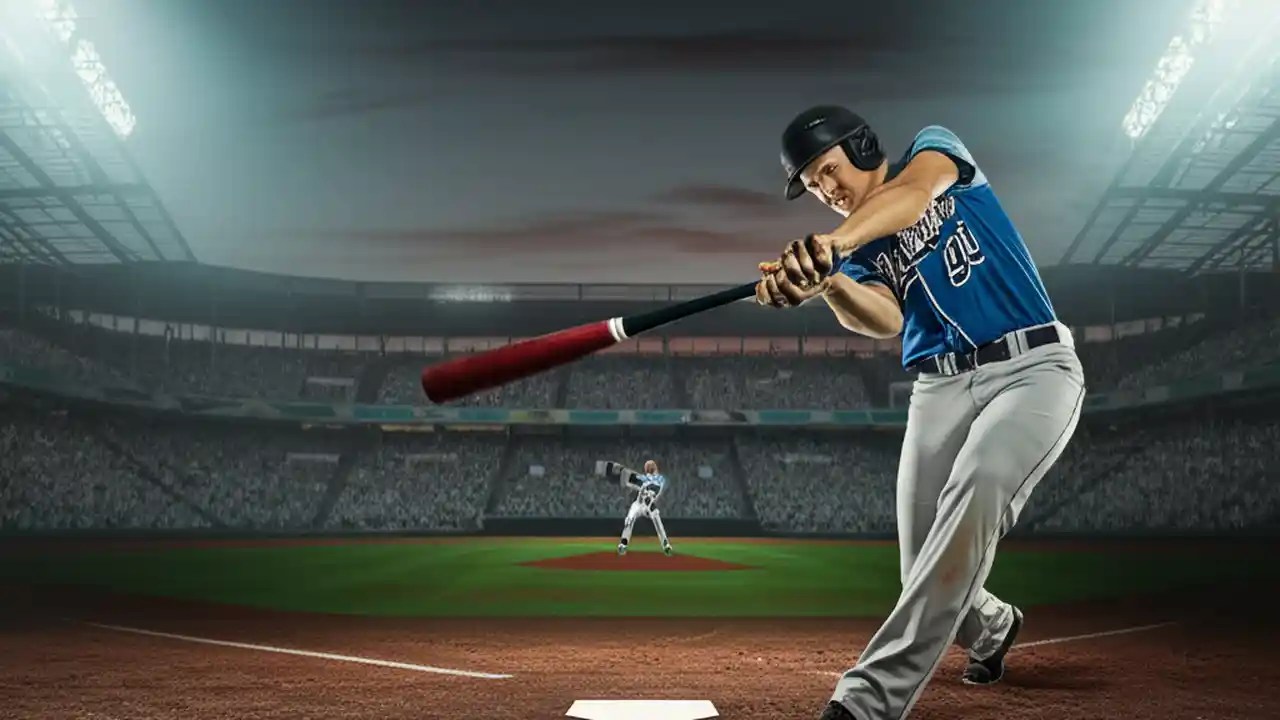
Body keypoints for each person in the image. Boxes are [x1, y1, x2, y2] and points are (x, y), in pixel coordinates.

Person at [756, 105, 1086, 720]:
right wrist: (827, 282)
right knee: (922, 569)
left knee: (980, 478)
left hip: (1032, 367)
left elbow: (909, 197)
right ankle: (991, 625)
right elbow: (882, 318)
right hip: (938, 389)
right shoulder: (857, 248)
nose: (826, 191)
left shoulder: (933, 151)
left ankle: (867, 701)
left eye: (828, 169)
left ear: (861, 145)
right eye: (813, 186)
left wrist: (830, 244)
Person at [598, 459, 673, 556]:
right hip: (639, 503)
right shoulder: (644, 478)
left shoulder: (659, 479)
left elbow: (657, 490)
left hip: (648, 504)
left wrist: (649, 496)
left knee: (656, 517)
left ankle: (665, 544)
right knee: (630, 518)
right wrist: (623, 474)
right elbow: (632, 481)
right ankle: (623, 543)